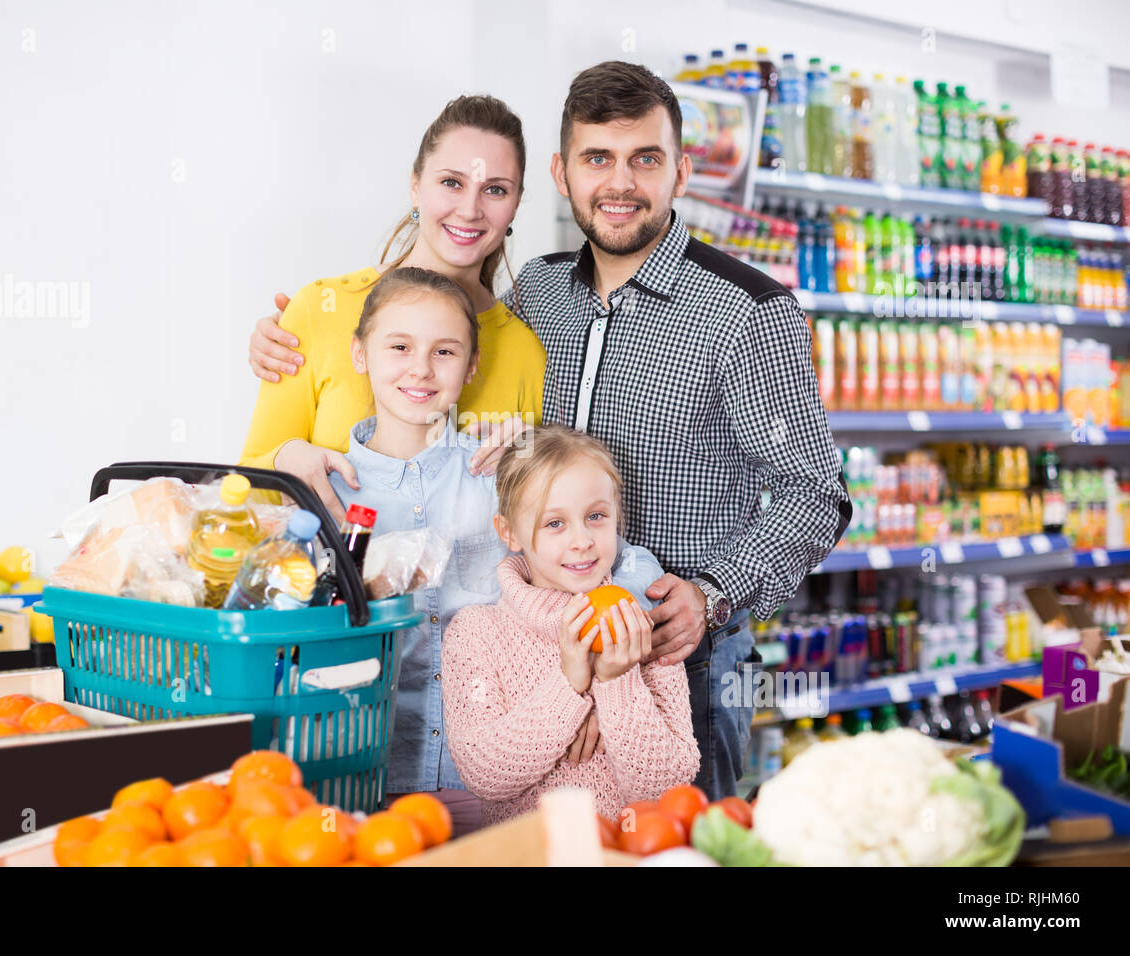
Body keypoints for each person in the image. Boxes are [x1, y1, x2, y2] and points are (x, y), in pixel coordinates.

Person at [248, 62, 852, 800]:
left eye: (646, 159)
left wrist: (712, 592)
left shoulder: (747, 312)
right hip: (539, 669)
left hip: (674, 660)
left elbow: (817, 493)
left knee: (674, 846)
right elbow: (424, 336)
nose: (620, 183)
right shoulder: (537, 294)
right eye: (599, 159)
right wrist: (282, 343)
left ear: (683, 171)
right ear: (566, 175)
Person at [323, 266, 665, 835]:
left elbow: (619, 561)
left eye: (445, 352)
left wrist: (603, 674)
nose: (421, 369)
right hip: (364, 773)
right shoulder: (328, 492)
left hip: (500, 774)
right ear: (361, 354)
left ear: (471, 366)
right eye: (399, 346)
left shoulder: (499, 473)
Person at [238, 94, 545, 518]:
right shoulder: (318, 310)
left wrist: (533, 462)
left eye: (495, 190)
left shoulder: (525, 351)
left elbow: (533, 523)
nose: (470, 210)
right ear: (416, 186)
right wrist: (282, 460)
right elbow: (242, 488)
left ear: (515, 203)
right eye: (452, 182)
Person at [441, 425, 700, 826]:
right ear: (508, 532)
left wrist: (617, 681)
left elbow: (666, 791)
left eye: (595, 516)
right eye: (555, 524)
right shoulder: (475, 633)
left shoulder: (640, 627)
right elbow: (485, 774)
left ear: (617, 518)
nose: (582, 540)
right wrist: (568, 685)